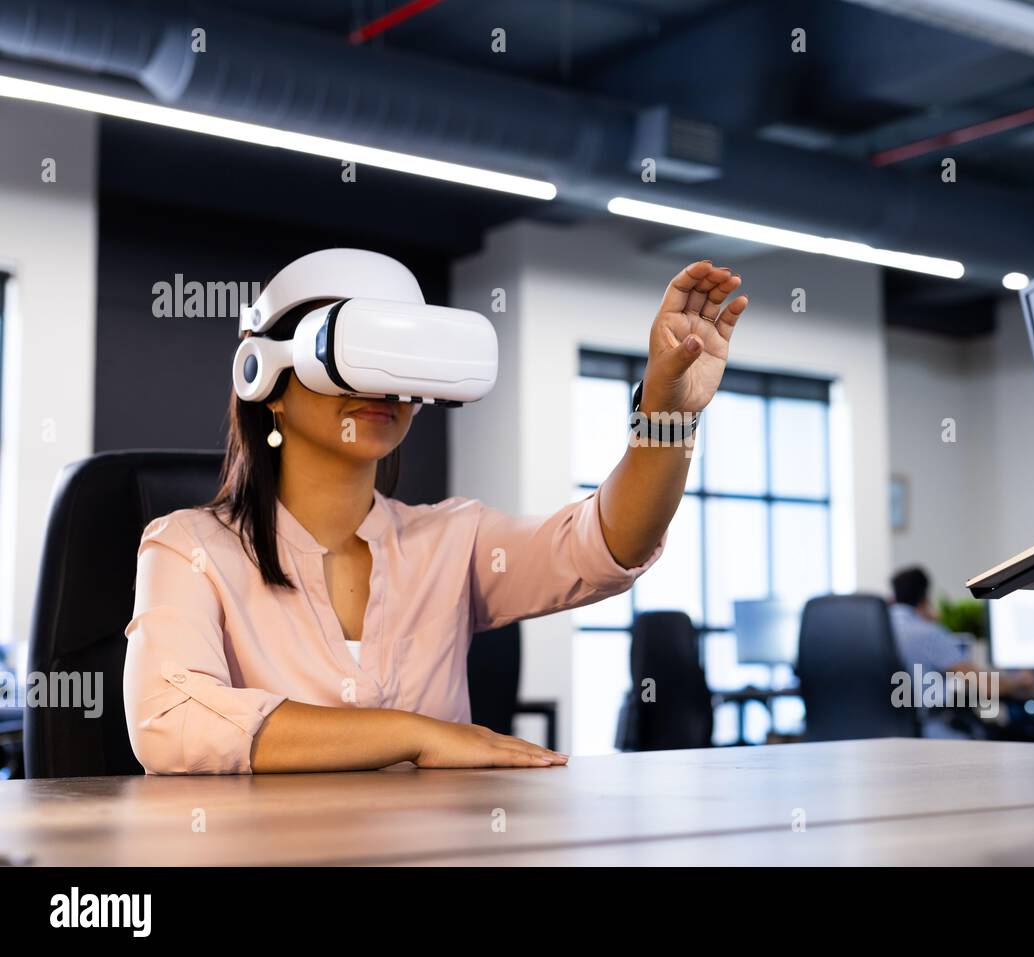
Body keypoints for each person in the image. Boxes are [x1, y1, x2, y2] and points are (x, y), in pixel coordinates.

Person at [123, 257, 747, 774]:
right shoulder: (188, 548)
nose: (382, 384)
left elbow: (608, 546)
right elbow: (172, 719)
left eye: (400, 359)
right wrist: (418, 735)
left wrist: (667, 415)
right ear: (267, 379)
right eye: (354, 353)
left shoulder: (453, 540)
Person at [889, 566, 1034, 738]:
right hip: (933, 735)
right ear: (925, 597)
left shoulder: (878, 627)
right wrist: (1020, 680)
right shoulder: (926, 632)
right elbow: (987, 687)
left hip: (886, 738)